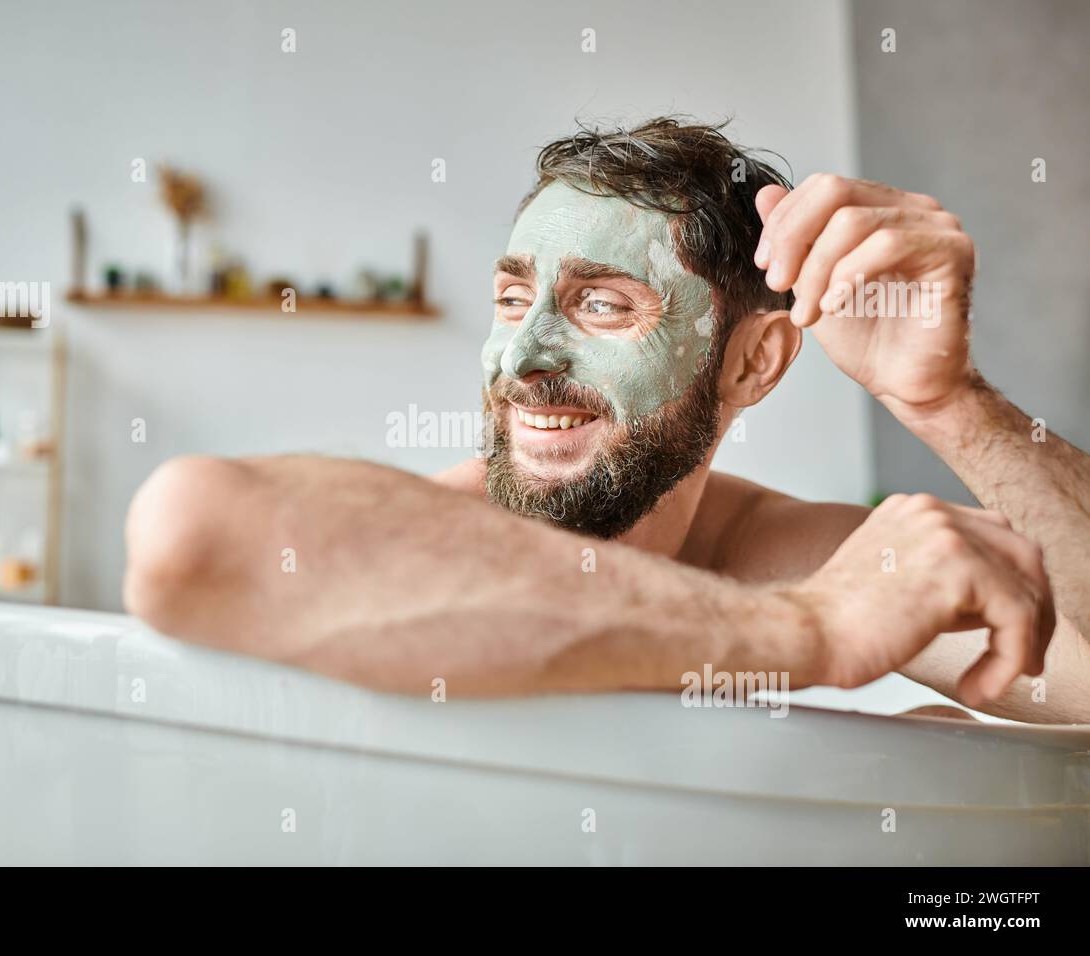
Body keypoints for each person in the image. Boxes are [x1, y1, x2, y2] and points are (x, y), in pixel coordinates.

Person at [123, 118, 1090, 724]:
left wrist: (950, 402)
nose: (523, 357)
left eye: (601, 306)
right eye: (511, 300)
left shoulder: (783, 550)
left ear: (753, 361)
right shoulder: (427, 538)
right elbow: (191, 532)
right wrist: (811, 632)